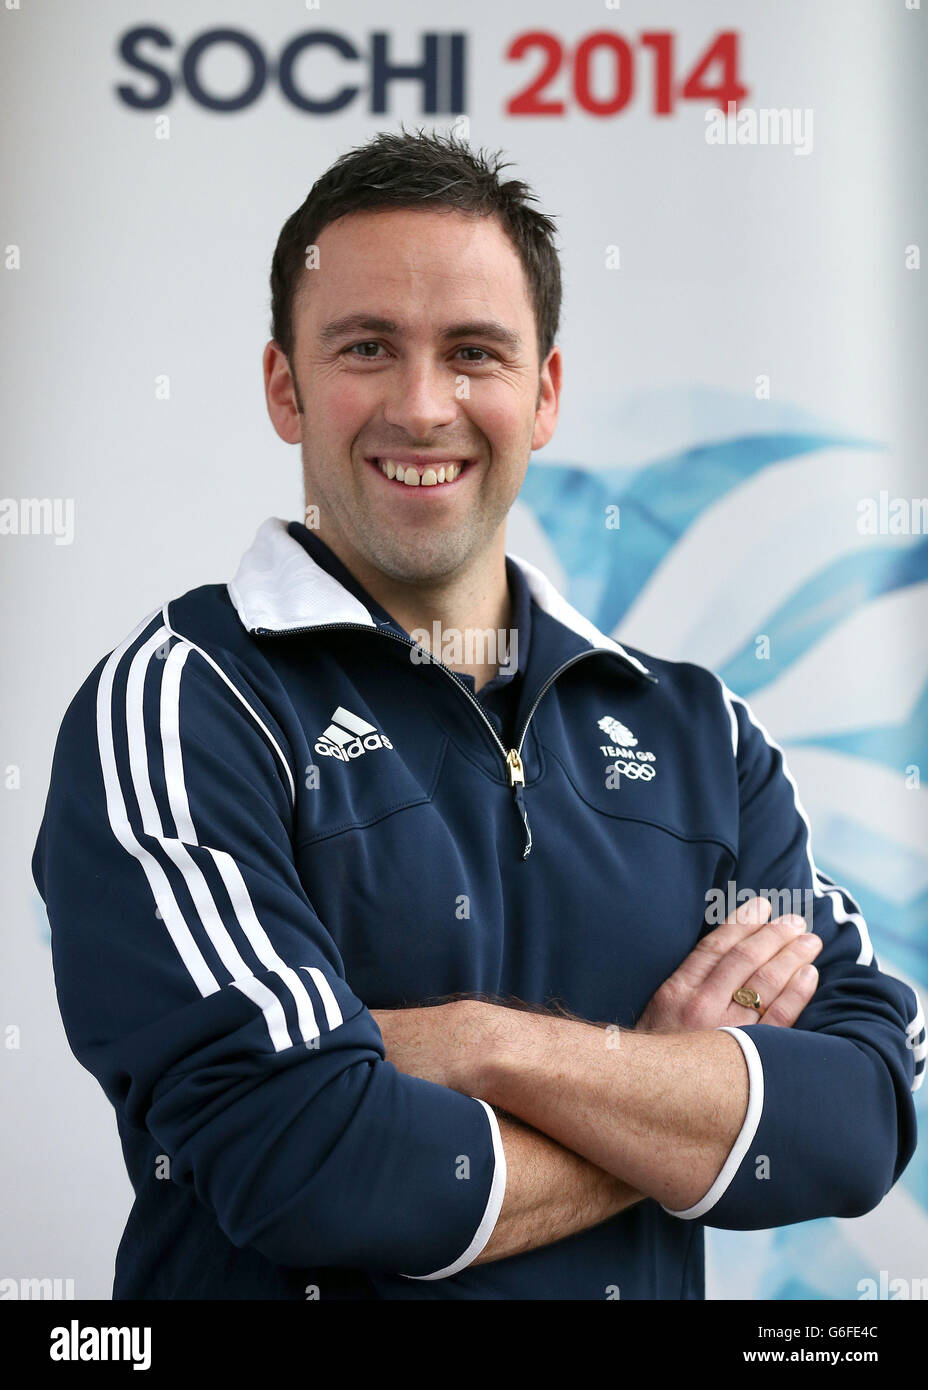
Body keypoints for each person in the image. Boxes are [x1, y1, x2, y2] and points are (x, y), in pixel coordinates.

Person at [32, 128, 922, 1300]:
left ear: (542, 393)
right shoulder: (183, 705)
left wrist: (472, 1042)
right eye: (366, 347)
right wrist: (669, 1088)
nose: (422, 405)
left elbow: (862, 1113)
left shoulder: (704, 735)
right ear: (283, 386)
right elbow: (312, 1159)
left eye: (474, 353)